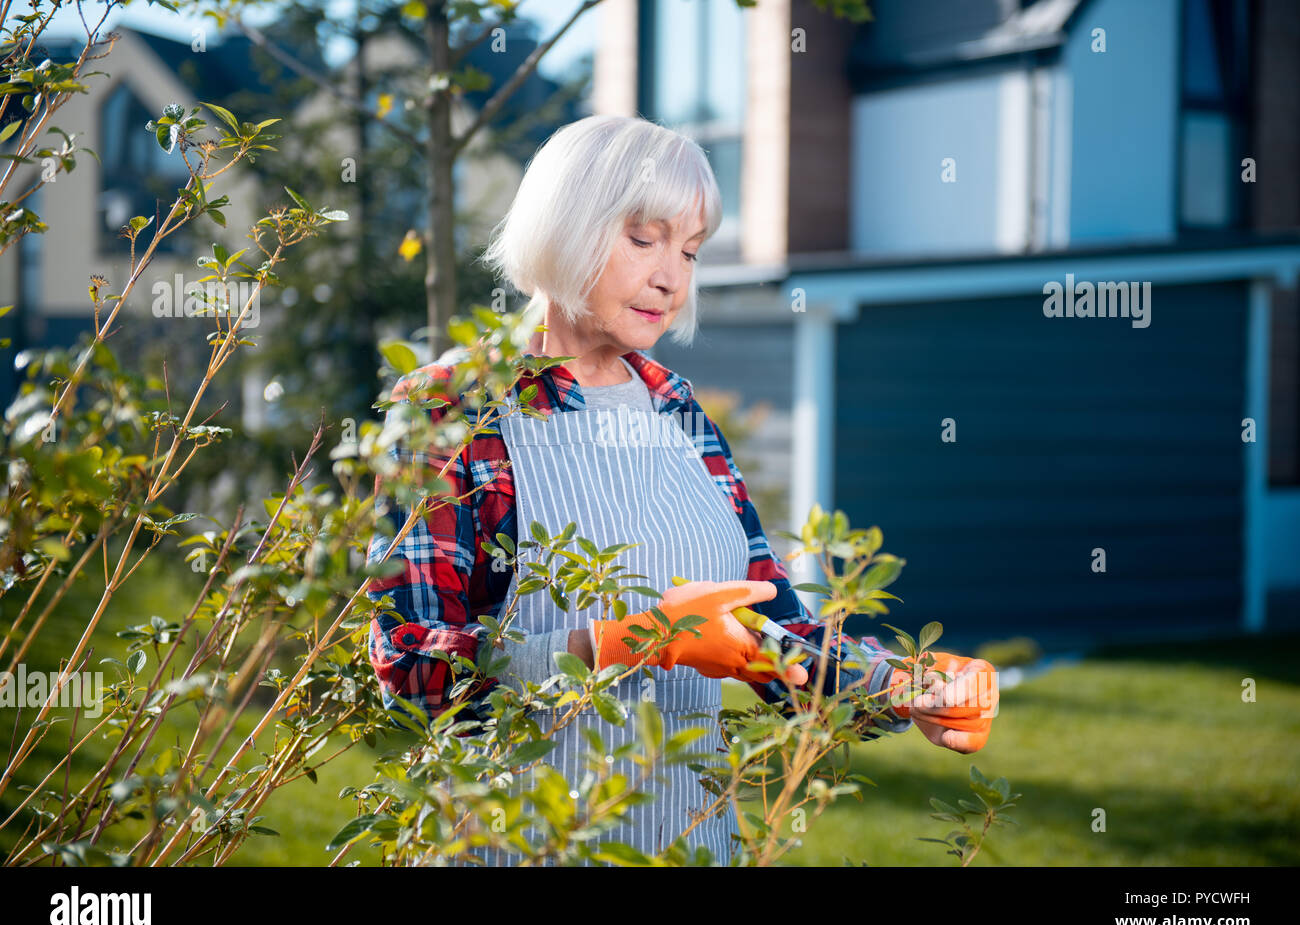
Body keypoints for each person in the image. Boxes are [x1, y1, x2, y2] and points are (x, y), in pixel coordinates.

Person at [365, 115, 999, 865]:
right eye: (644, 239)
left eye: (691, 250)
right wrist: (629, 643)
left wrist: (906, 686)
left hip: (688, 844)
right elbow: (411, 663)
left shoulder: (678, 411)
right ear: (566, 227)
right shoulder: (452, 407)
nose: (672, 276)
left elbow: (776, 633)